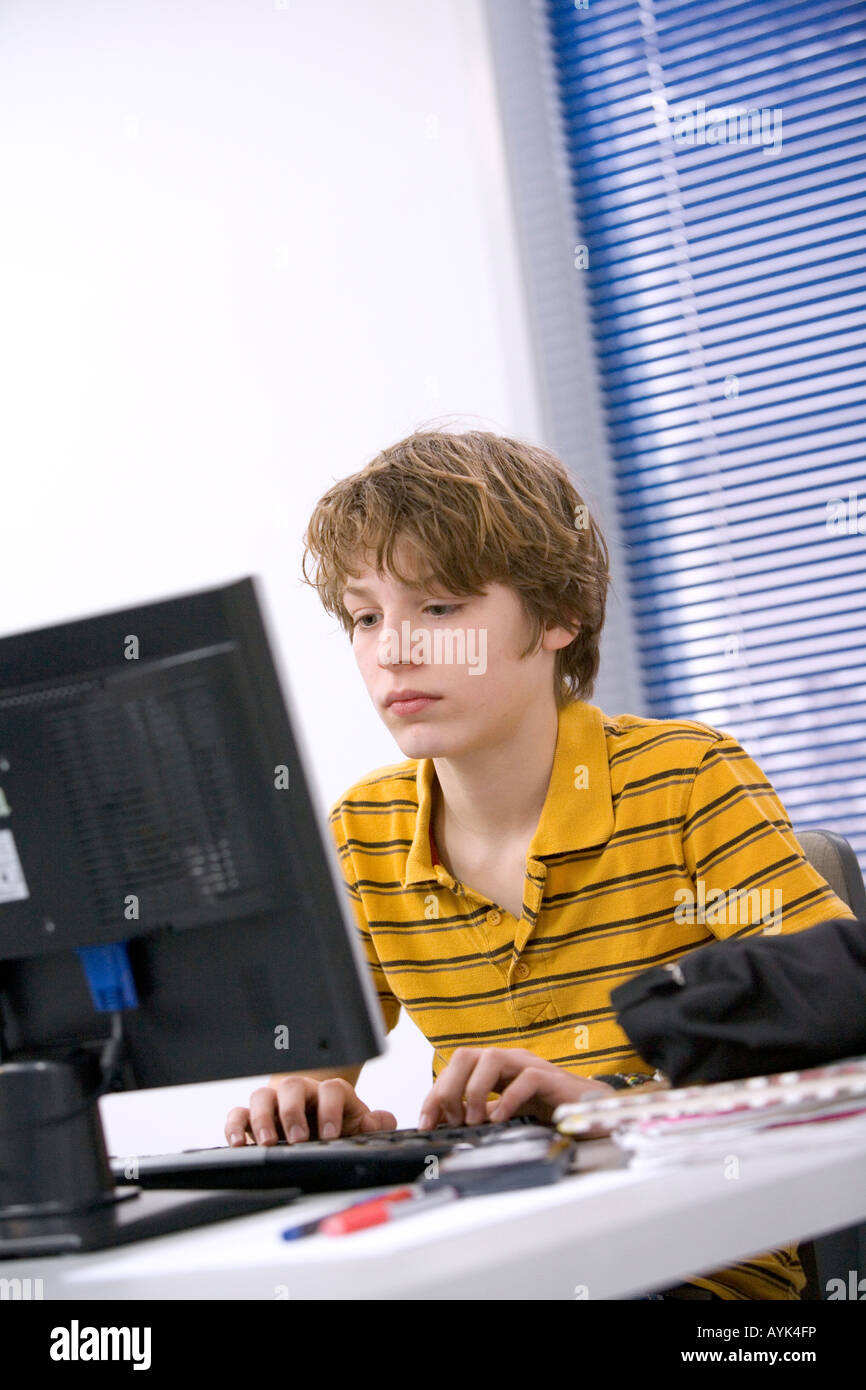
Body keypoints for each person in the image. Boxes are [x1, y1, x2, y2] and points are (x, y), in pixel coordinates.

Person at [225, 428, 855, 1299]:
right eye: (367, 617)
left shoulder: (683, 780)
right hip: (493, 1257)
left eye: (439, 609)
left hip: (699, 1271)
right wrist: (304, 1109)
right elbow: (310, 1072)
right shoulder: (364, 833)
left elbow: (840, 1070)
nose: (394, 650)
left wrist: (608, 1110)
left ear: (559, 616)